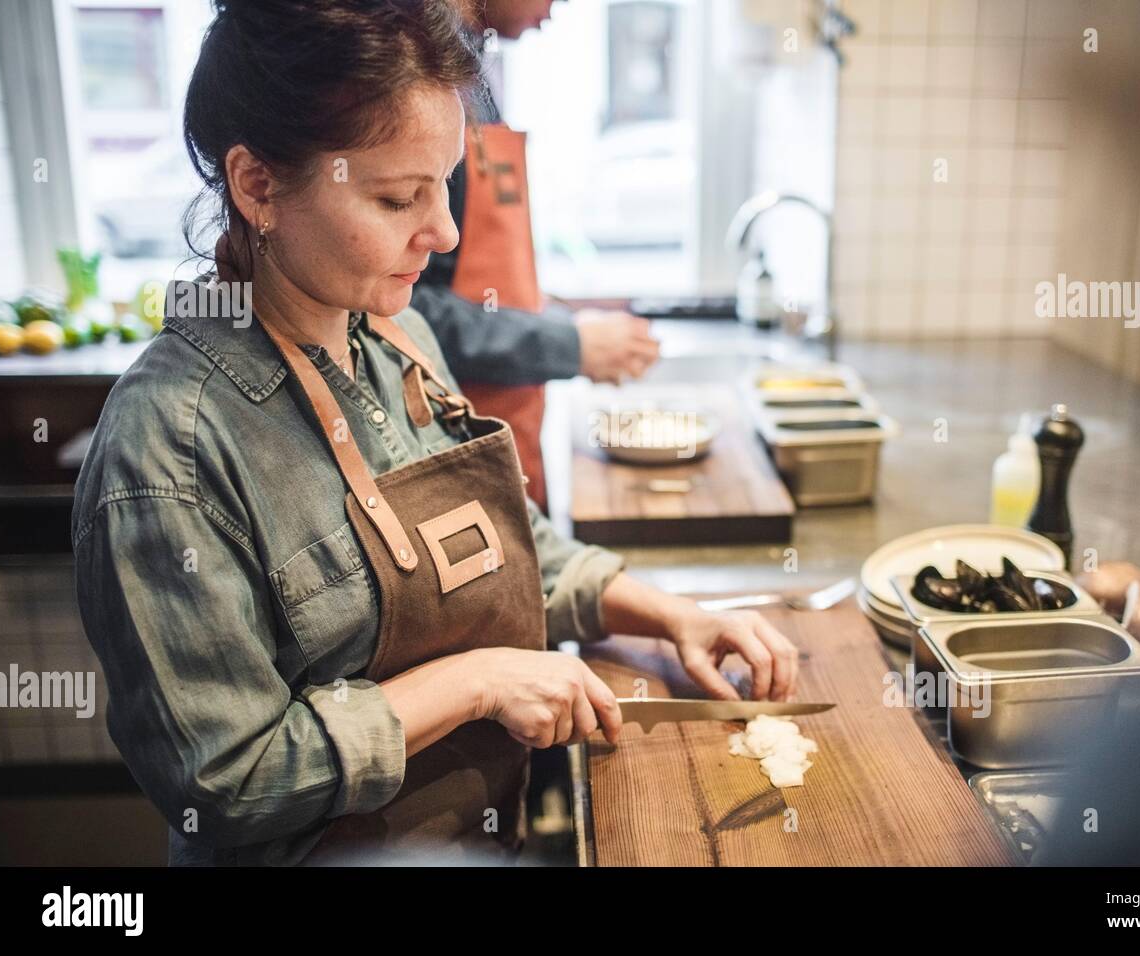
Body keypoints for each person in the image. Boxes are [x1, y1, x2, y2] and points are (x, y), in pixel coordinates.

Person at [70, 0, 798, 867]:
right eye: (395, 197)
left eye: (443, 185)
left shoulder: (400, 340)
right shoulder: (168, 451)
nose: (444, 231)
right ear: (258, 185)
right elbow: (225, 780)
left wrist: (667, 614)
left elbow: (514, 551)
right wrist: (477, 683)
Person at [410, 0, 660, 511]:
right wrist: (567, 344)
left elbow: (474, 276)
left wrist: (559, 314)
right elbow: (408, 308)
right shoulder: (422, 79)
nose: (560, 5)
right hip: (447, 440)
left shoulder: (469, 71)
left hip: (505, 429)